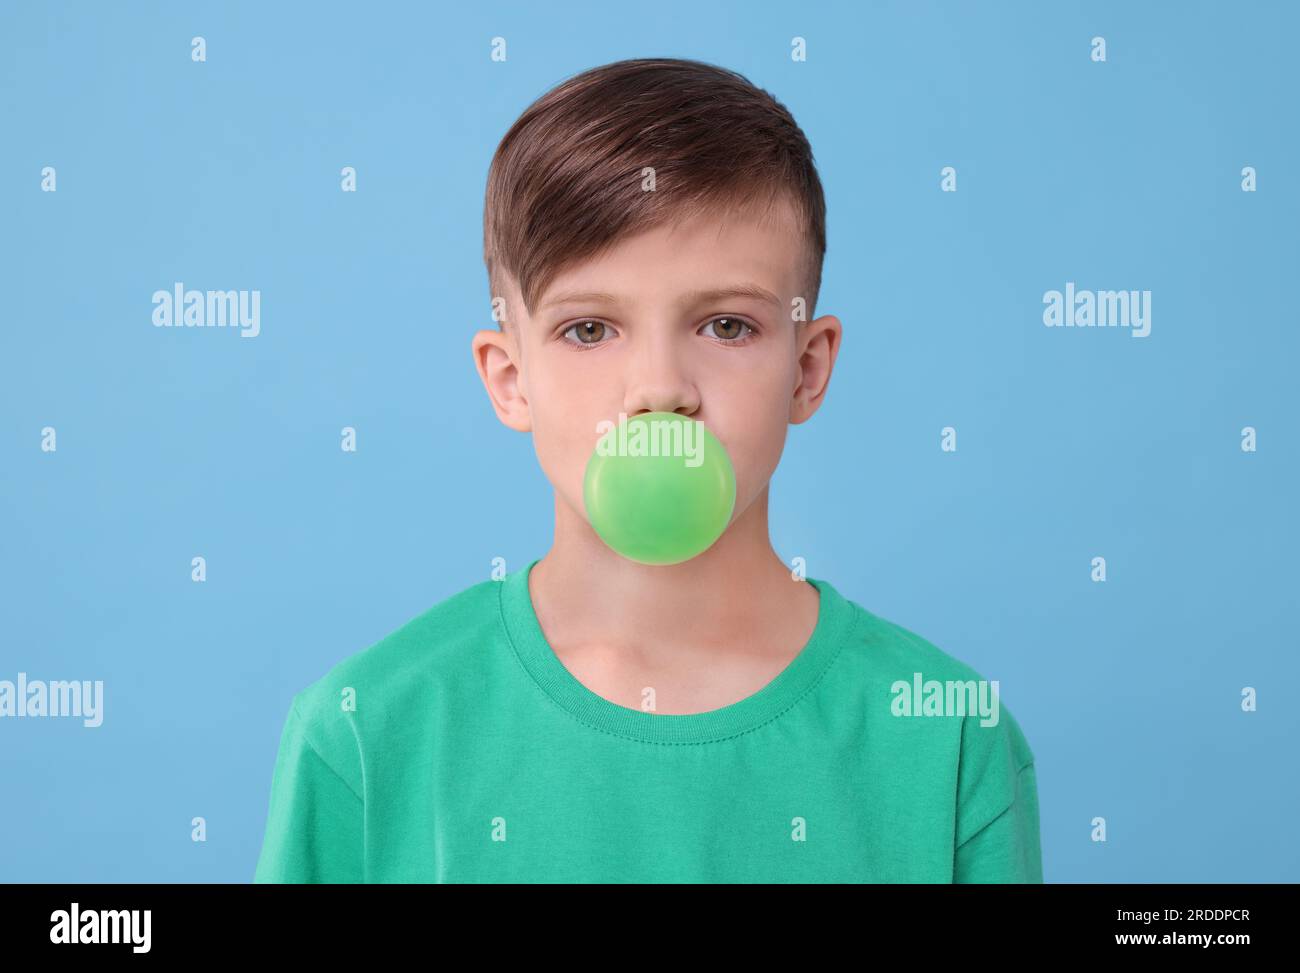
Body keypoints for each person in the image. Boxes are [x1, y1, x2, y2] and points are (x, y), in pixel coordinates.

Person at [253, 57, 1041, 883]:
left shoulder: (946, 738)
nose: (660, 388)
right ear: (509, 378)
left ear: (807, 369)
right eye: (590, 329)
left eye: (727, 325)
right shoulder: (364, 734)